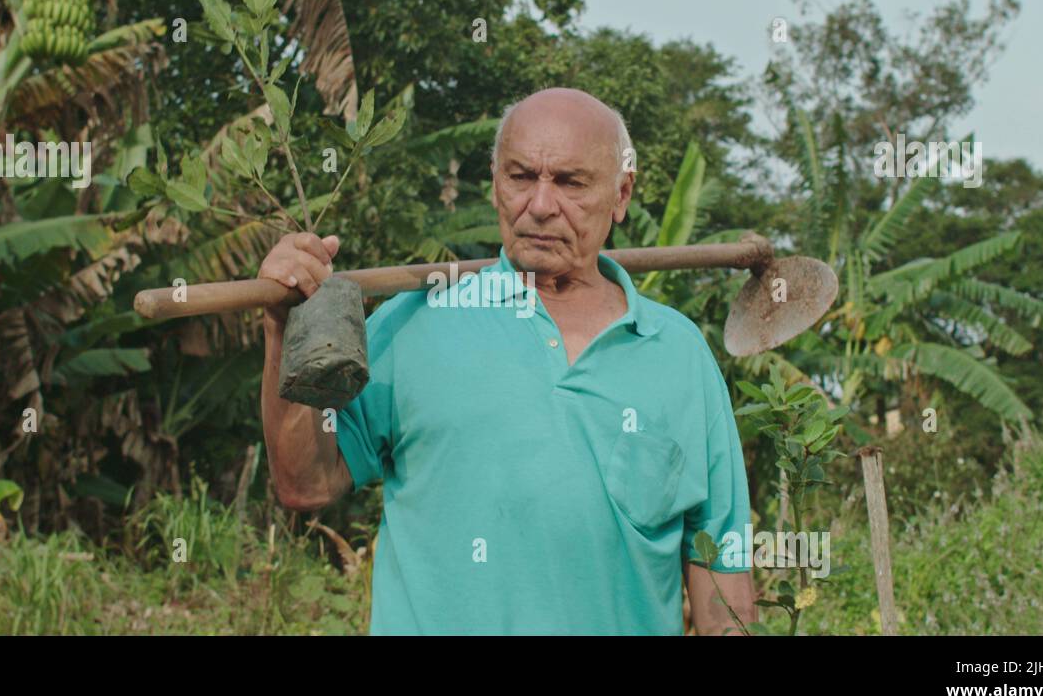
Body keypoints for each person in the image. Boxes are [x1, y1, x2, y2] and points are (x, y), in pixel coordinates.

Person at [258, 88, 756, 635]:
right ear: (496, 183)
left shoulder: (677, 353)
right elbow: (305, 483)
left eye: (570, 182)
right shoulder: (415, 323)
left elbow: (721, 576)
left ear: (621, 195)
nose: (541, 205)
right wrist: (284, 327)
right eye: (521, 177)